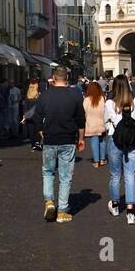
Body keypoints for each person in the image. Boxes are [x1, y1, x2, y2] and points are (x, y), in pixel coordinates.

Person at [33, 66, 85, 223]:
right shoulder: (75, 96)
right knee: (65, 176)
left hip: (50, 138)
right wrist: (81, 139)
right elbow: (81, 120)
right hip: (68, 139)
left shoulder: (45, 96)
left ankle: (49, 202)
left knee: (48, 172)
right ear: (67, 78)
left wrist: (42, 134)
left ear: (53, 78)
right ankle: (62, 211)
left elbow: (36, 119)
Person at [105, 75, 135, 224]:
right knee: (130, 175)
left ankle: (115, 205)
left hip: (115, 140)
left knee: (115, 175)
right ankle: (131, 211)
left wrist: (111, 126)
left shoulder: (109, 103)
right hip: (132, 142)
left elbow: (105, 122)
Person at [84, 80, 107, 166]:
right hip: (101, 122)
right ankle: (102, 159)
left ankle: (96, 161)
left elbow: (84, 112)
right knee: (102, 140)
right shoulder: (102, 98)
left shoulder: (86, 100)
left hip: (91, 124)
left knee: (94, 140)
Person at [22, 79, 41, 149]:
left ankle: (33, 144)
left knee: (31, 129)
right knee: (37, 129)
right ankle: (37, 142)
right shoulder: (38, 97)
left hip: (29, 115)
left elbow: (25, 107)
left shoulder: (27, 97)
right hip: (36, 115)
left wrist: (24, 116)